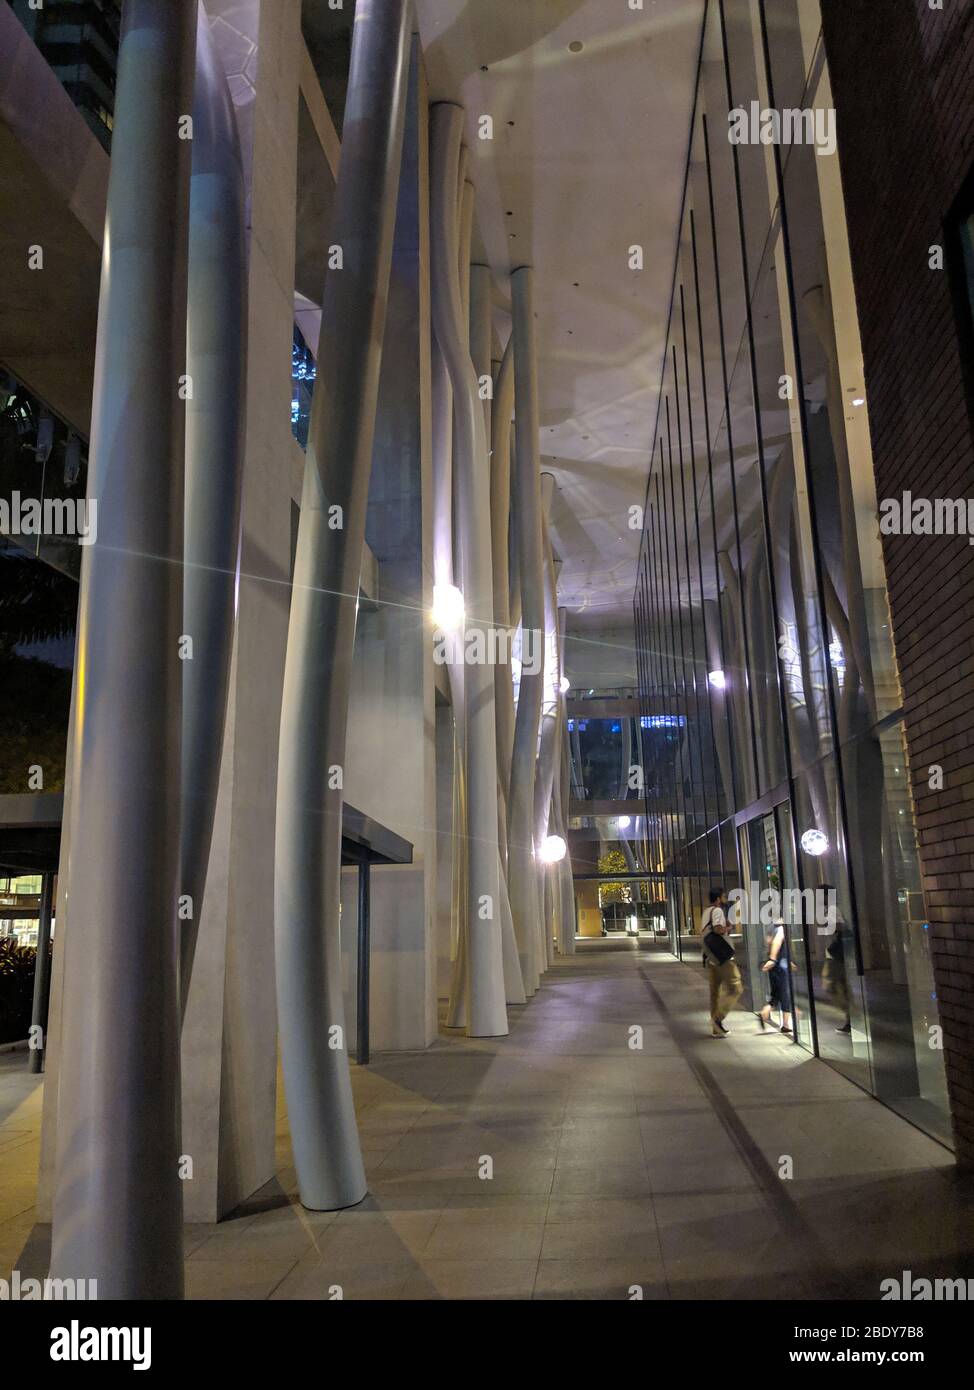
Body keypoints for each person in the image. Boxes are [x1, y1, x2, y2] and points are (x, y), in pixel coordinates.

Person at [700, 887, 742, 1038]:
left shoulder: (706, 912)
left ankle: (716, 1028)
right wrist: (728, 927)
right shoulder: (717, 911)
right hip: (722, 956)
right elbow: (718, 929)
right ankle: (718, 1019)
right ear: (718, 898)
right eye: (724, 896)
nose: (725, 899)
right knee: (735, 987)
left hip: (712, 957)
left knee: (715, 993)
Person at [821, 883, 851, 1033]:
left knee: (831, 985)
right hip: (835, 954)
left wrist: (828, 924)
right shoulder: (830, 909)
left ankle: (851, 1015)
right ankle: (850, 1018)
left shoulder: (833, 910)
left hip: (835, 956)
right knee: (840, 986)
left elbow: (840, 926)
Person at [758, 919, 794, 1035]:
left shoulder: (771, 928)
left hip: (775, 966)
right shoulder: (781, 929)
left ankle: (765, 1012)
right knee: (784, 994)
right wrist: (773, 959)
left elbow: (768, 942)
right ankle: (786, 1024)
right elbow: (777, 943)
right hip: (780, 966)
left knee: (776, 993)